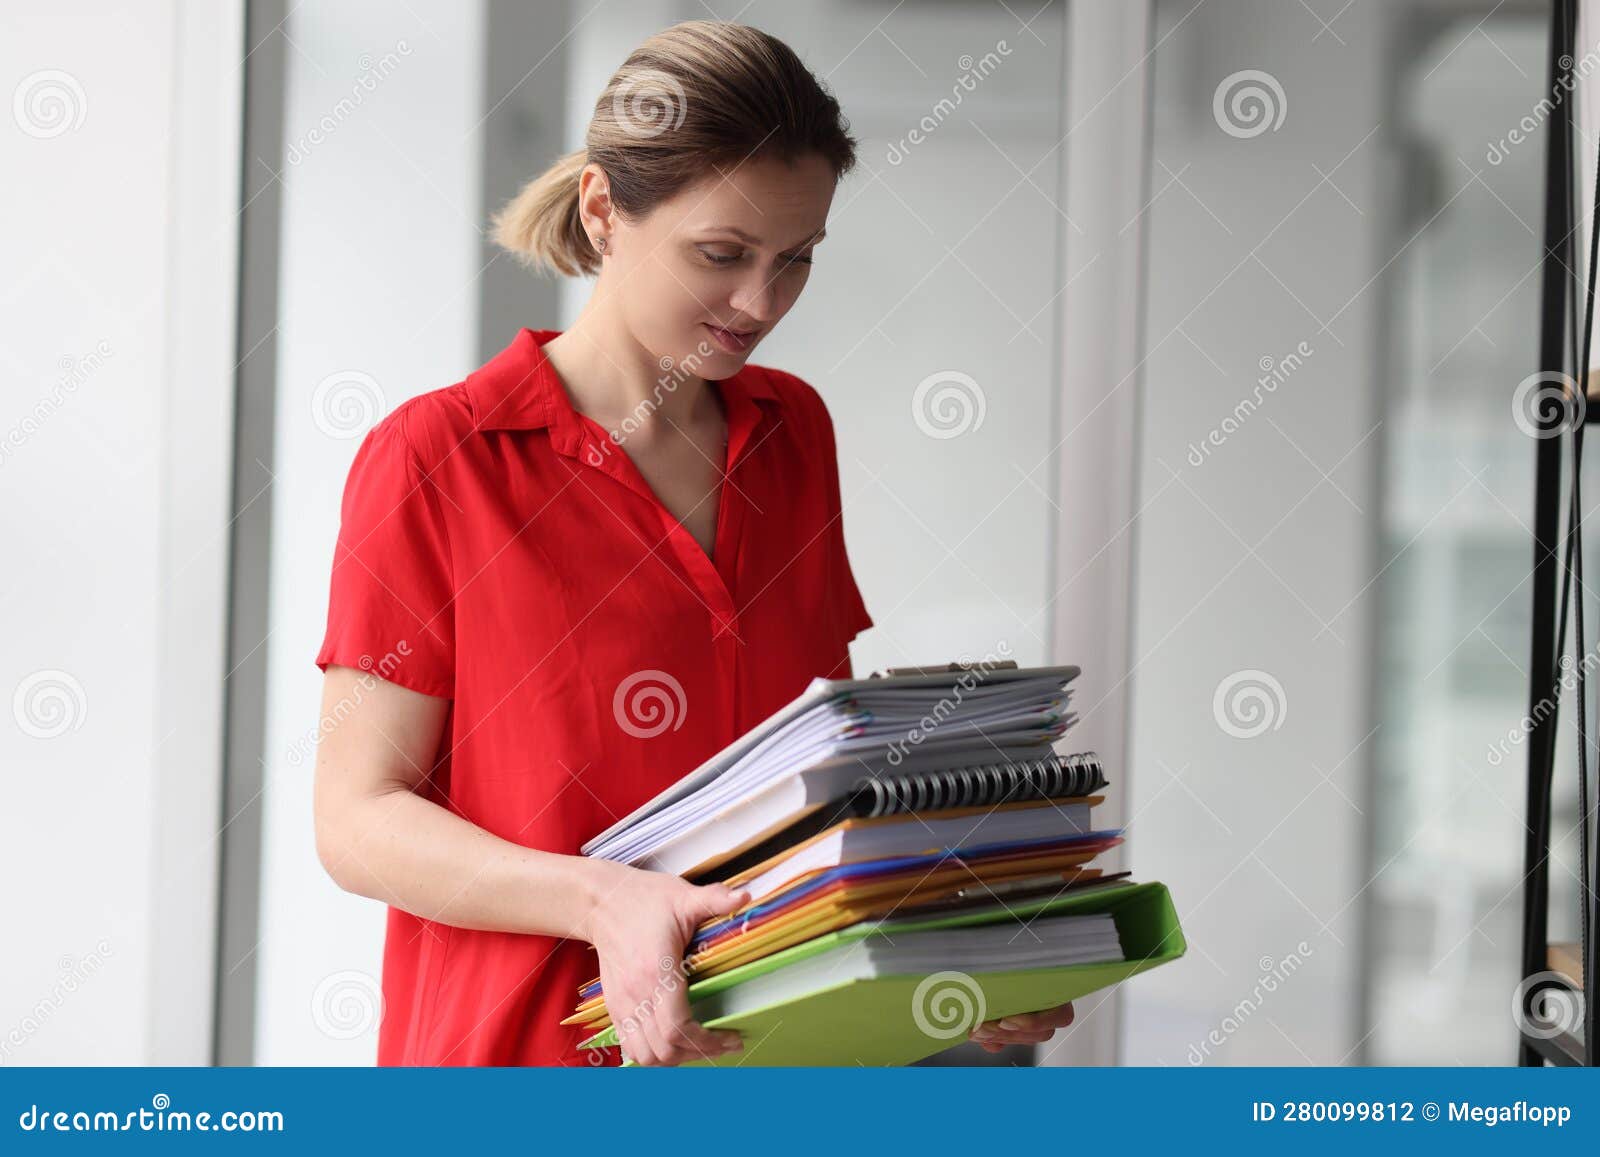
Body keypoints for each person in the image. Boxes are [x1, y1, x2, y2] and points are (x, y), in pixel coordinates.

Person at [311, 18, 1075, 1067]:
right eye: (720, 255)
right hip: (519, 1061)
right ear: (603, 210)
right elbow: (357, 817)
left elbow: (818, 777)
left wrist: (941, 950)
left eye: (794, 260)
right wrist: (604, 900)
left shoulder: (791, 432)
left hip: (768, 1061)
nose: (760, 302)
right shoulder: (440, 458)